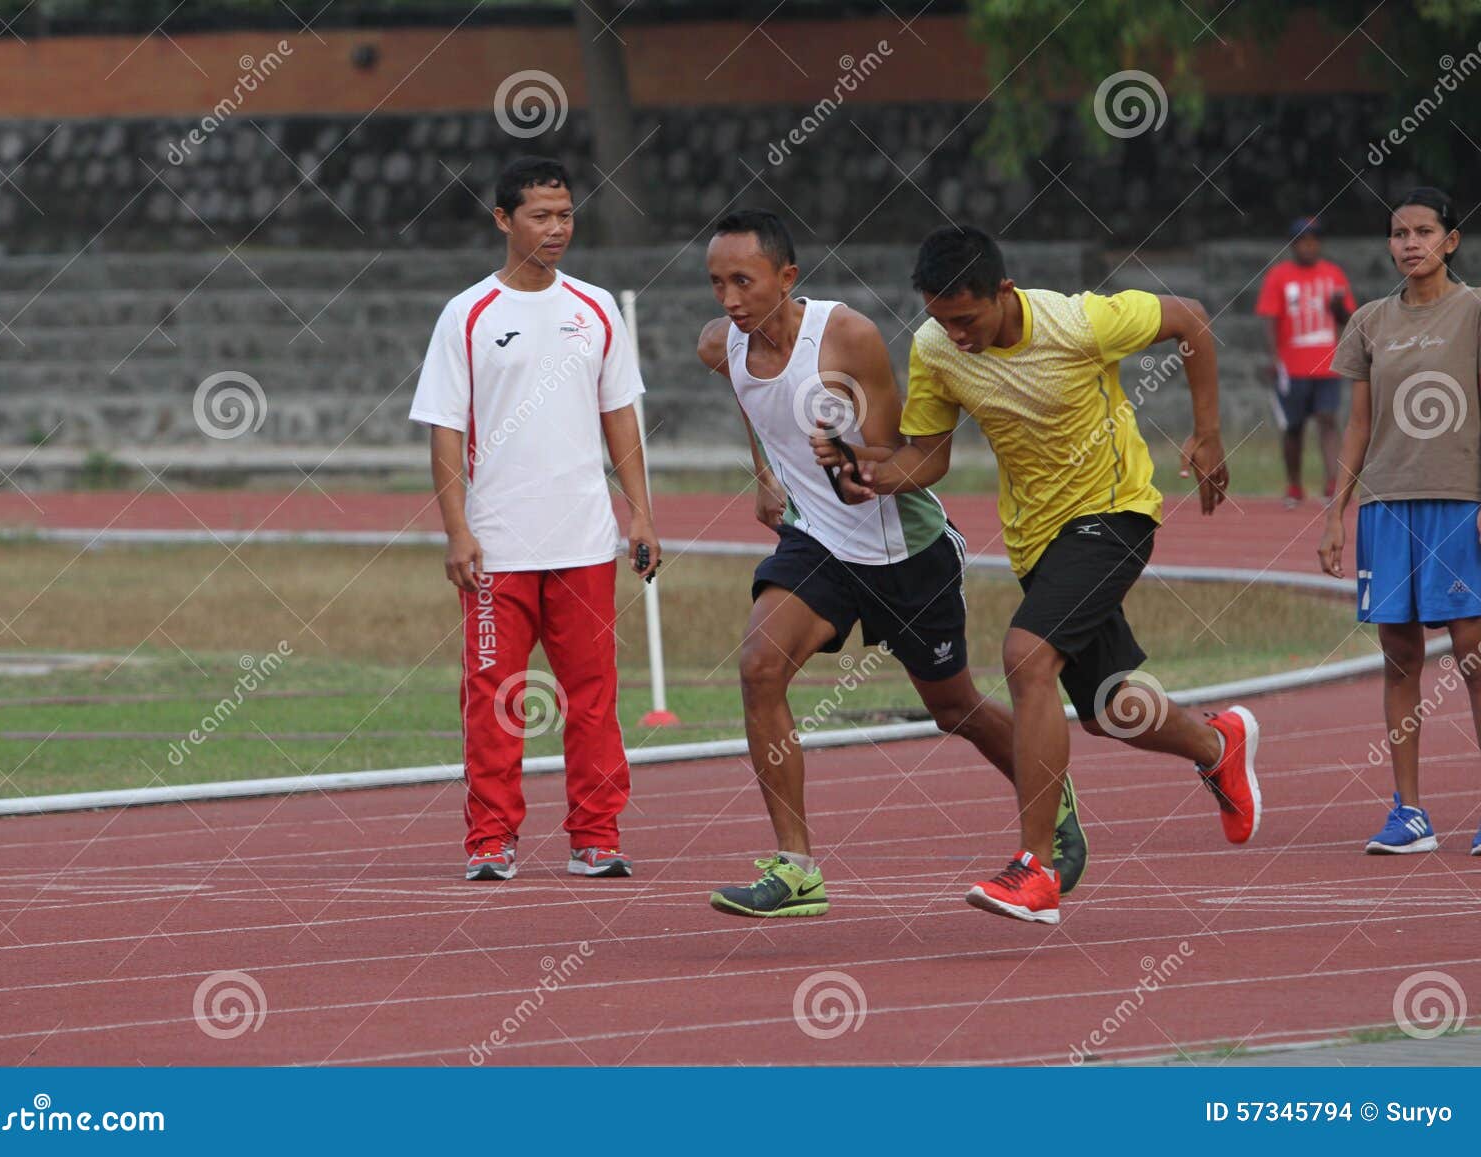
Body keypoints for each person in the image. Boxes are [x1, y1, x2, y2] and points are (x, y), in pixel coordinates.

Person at [817, 225, 1261, 925]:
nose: (954, 334)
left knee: (1026, 655)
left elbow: (1192, 321)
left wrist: (1207, 433)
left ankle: (1035, 868)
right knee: (1114, 710)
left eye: (966, 318)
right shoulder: (935, 347)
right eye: (940, 318)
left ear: (1003, 291)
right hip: (1038, 542)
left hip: (1115, 512)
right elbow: (927, 459)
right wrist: (866, 470)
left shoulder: (1079, 321)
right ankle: (1218, 743)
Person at [697, 209, 1087, 919]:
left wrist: (846, 449)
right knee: (759, 665)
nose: (728, 300)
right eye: (717, 282)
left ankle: (1046, 788)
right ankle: (797, 868)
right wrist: (765, 472)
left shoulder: (848, 336)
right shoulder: (722, 344)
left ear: (788, 277)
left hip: (903, 550)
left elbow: (897, 453)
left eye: (743, 282)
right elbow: (747, 394)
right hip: (820, 545)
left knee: (953, 705)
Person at [410, 156, 660, 881]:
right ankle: (490, 838)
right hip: (497, 544)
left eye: (566, 215)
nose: (557, 229)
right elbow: (445, 430)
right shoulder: (468, 315)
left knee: (594, 694)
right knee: (493, 697)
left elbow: (621, 415)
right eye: (540, 216)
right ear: (502, 220)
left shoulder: (596, 308)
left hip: (583, 538)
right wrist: (458, 529)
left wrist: (640, 512)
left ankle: (596, 833)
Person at [1318, 187, 1481, 856]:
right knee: (1400, 659)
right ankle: (1409, 812)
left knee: (1474, 658)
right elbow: (1358, 424)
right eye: (1398, 232)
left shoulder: (1473, 311)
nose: (1409, 242)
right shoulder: (1369, 322)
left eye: (1423, 230)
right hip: (1387, 507)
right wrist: (1336, 512)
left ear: (1450, 240)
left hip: (1459, 501)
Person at [1256, 217, 1356, 508]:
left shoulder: (1333, 274)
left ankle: (1331, 483)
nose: (1309, 246)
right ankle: (1294, 485)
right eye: (1303, 241)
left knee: (1328, 420)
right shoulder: (1279, 276)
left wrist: (1338, 307)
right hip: (1292, 366)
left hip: (1327, 364)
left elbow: (1347, 318)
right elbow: (1270, 320)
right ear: (1293, 245)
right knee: (1293, 428)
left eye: (1314, 241)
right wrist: (1274, 358)